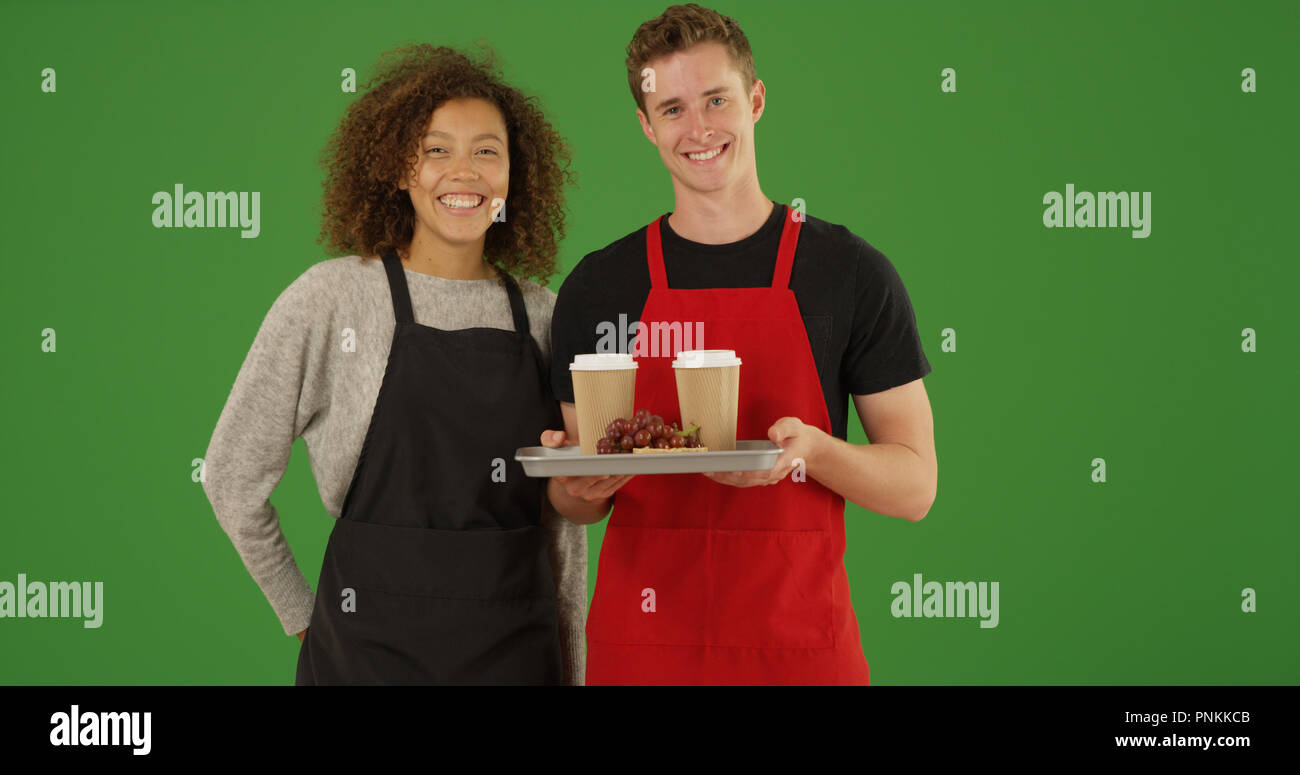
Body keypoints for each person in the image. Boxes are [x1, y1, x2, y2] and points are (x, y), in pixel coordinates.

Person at [542, 4, 937, 684]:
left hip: (799, 651)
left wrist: (816, 451)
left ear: (755, 100)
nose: (698, 129)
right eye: (671, 109)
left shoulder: (848, 273)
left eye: (715, 99)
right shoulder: (600, 284)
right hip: (644, 654)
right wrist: (575, 486)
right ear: (645, 126)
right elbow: (581, 501)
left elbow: (915, 485)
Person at [202, 44, 586, 684]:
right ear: (399, 168)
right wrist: (305, 615)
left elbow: (561, 532)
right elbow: (230, 478)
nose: (464, 172)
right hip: (364, 657)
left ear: (515, 173)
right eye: (436, 150)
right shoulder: (331, 300)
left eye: (487, 151)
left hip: (517, 658)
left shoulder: (547, 318)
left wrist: (573, 666)